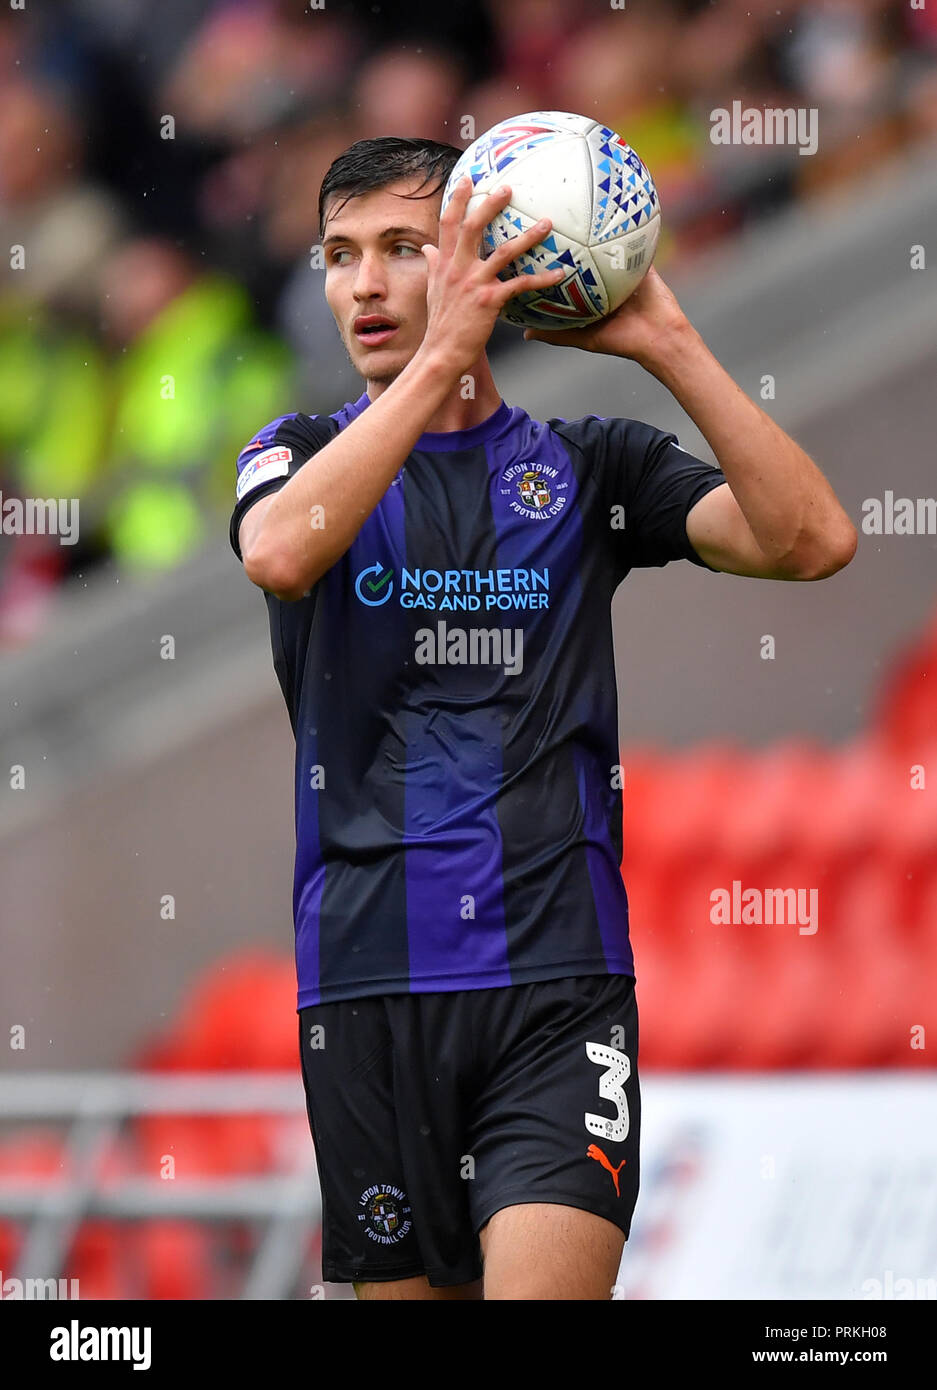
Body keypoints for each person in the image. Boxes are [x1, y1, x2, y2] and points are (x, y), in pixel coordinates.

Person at [228, 136, 857, 1301]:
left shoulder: (591, 467)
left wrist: (667, 341)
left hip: (559, 985)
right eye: (339, 255)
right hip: (367, 990)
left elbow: (811, 540)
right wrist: (442, 356)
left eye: (405, 250)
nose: (363, 285)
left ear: (488, 253)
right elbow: (279, 551)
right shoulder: (294, 455)